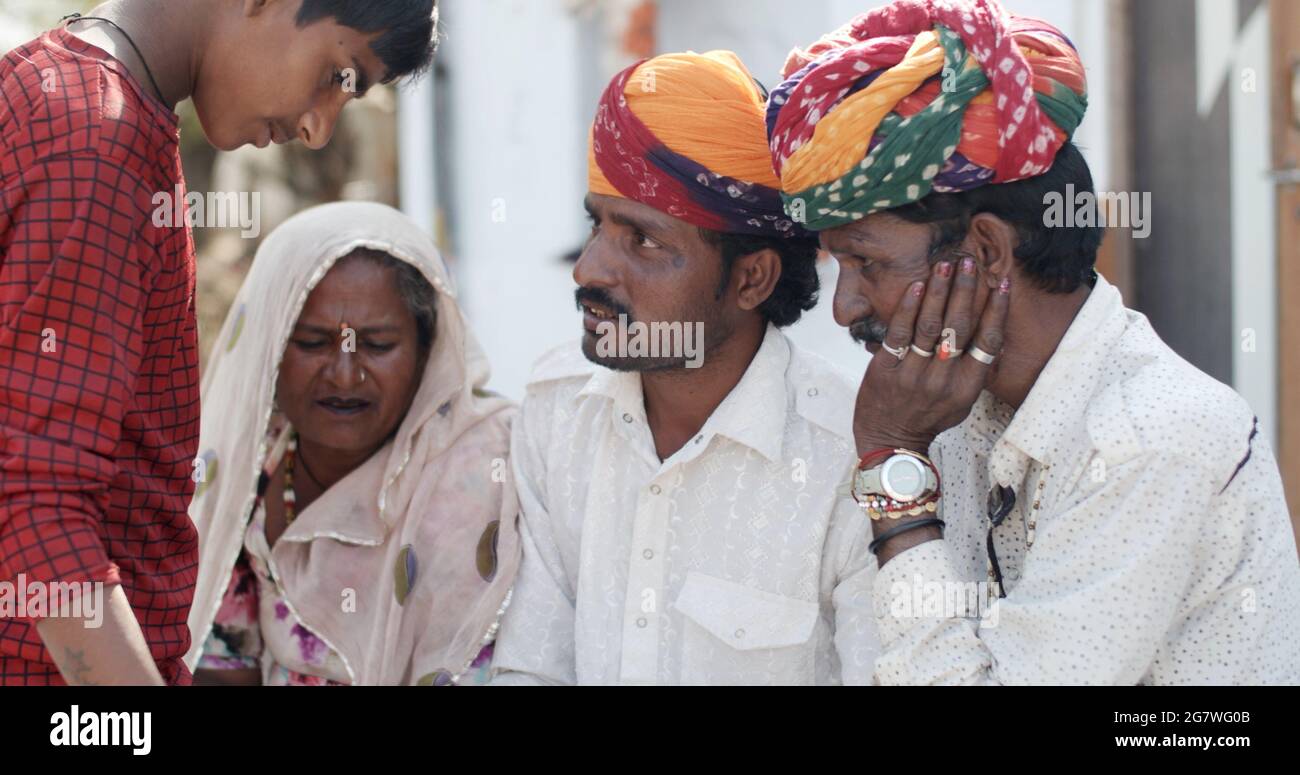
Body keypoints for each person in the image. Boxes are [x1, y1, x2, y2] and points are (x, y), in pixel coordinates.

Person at [768, 0, 1300, 684]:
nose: (844, 307)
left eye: (866, 263)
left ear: (987, 250)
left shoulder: (1150, 438)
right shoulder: (960, 412)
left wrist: (894, 470)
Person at [0, 0, 438, 685]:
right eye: (336, 75)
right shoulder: (95, 137)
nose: (318, 129)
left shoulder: (80, 99)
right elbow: (38, 508)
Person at [489, 51, 881, 685]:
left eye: (643, 240)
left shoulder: (851, 462)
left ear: (751, 277)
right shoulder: (557, 410)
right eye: (598, 225)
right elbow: (533, 664)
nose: (589, 270)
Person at [186, 202, 518, 686]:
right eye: (313, 343)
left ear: (428, 349)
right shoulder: (253, 466)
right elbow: (222, 663)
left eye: (379, 345)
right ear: (270, 348)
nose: (345, 373)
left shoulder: (485, 473)